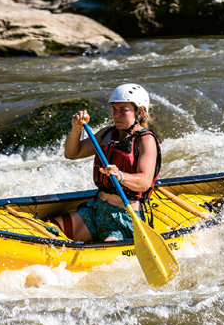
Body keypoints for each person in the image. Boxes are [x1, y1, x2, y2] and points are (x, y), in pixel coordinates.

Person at [52, 83, 161, 242]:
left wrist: (120, 175)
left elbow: (144, 182)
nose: (116, 115)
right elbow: (72, 153)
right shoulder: (107, 133)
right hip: (96, 210)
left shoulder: (145, 140)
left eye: (123, 110)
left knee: (107, 251)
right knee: (52, 227)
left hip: (125, 218)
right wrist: (76, 129)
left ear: (140, 112)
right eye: (114, 110)